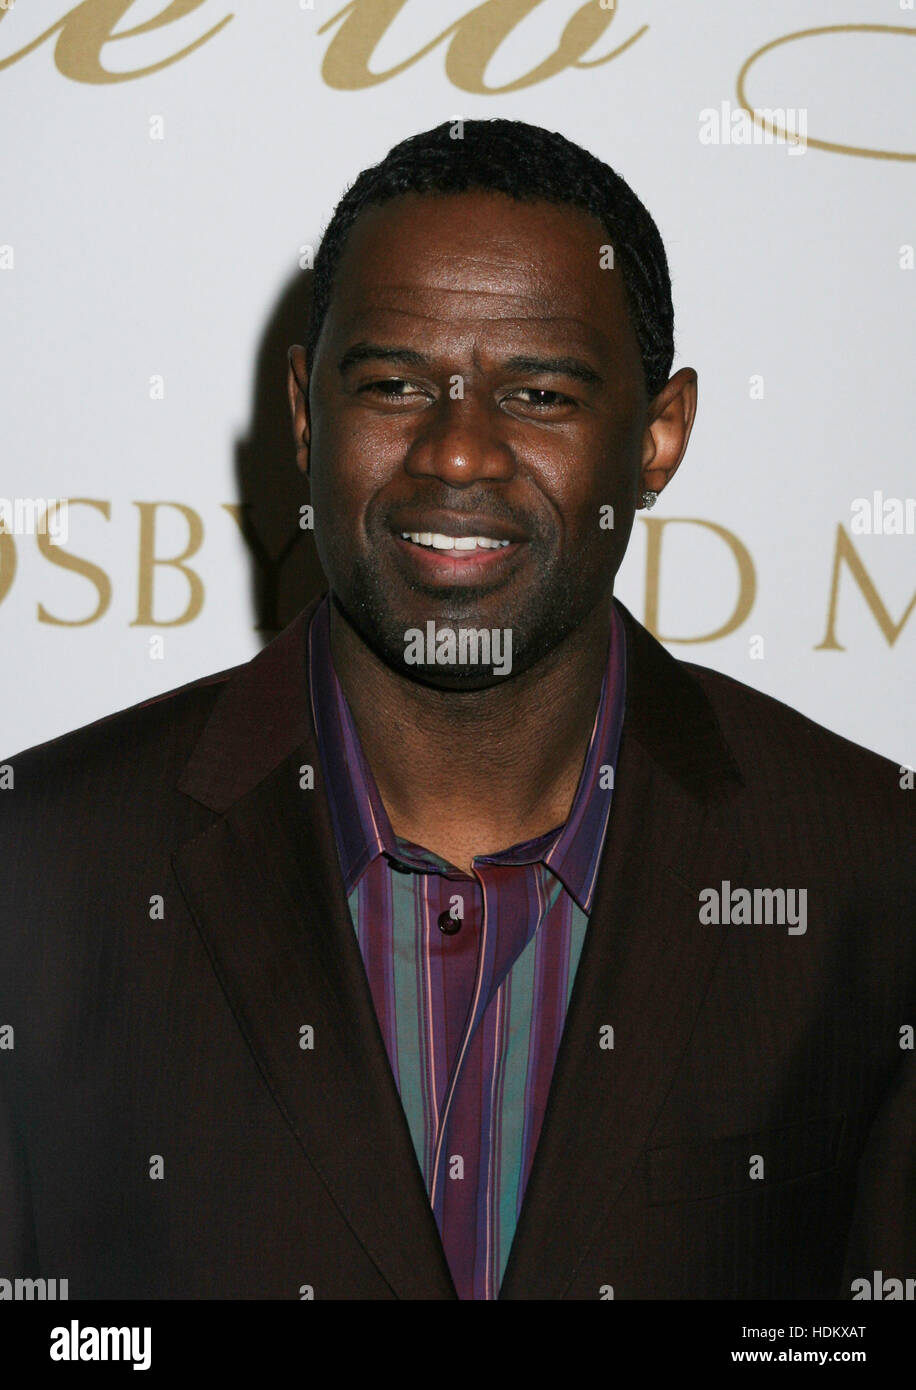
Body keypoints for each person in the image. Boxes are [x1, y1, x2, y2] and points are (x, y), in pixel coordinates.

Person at [1, 120, 912, 1301]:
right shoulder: (41, 872)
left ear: (657, 435)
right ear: (303, 411)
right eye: (392, 384)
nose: (459, 453)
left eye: (537, 392)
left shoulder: (867, 875)